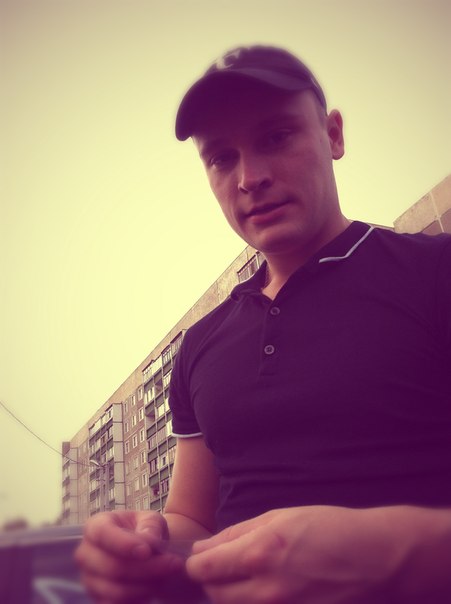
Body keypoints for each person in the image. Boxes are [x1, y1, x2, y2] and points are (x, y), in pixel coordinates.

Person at [75, 45, 451, 603]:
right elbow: (192, 519)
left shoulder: (435, 272)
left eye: (276, 137)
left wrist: (394, 553)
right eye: (222, 158)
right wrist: (141, 543)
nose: (250, 178)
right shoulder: (199, 343)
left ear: (333, 135)